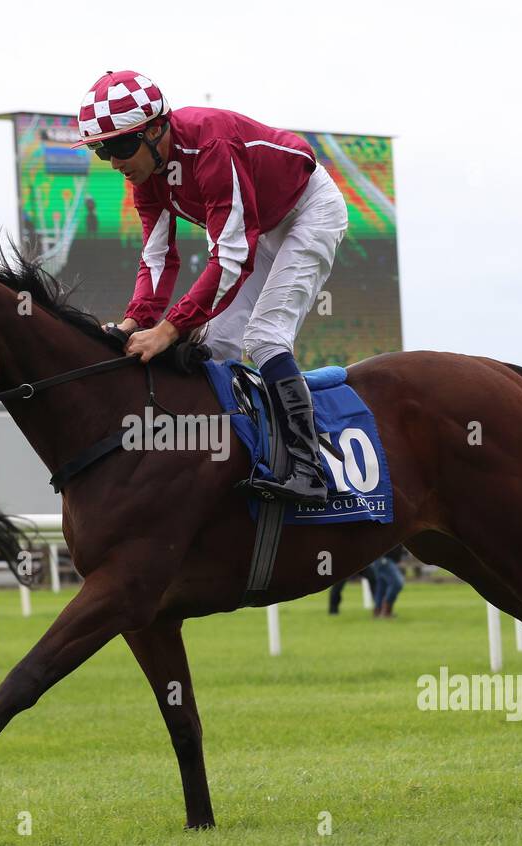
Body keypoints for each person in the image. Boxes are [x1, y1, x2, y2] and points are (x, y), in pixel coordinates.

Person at [73, 70, 349, 507]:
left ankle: (308, 468)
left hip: (306, 212)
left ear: (158, 128)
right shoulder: (147, 177)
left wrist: (168, 329)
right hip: (257, 224)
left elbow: (233, 257)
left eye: (123, 146)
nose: (116, 162)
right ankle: (218, 464)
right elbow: (159, 258)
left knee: (263, 336)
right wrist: (132, 323)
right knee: (216, 343)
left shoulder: (211, 143)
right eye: (102, 150)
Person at [329, 547, 408, 618]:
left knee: (376, 581)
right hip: (345, 561)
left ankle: (378, 609)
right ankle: (333, 610)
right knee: (338, 585)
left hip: (361, 560)